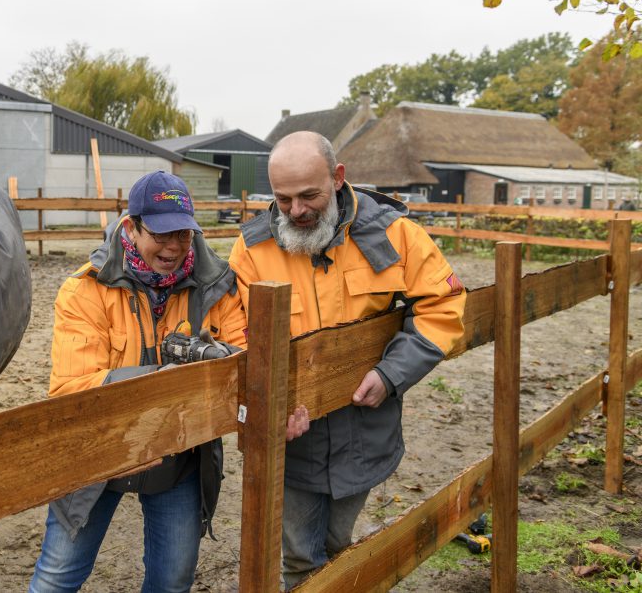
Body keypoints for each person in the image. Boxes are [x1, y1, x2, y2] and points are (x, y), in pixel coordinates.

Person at [228, 132, 466, 588]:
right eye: (282, 199)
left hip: (365, 428)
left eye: (309, 196)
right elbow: (236, 331)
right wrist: (272, 403)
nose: (296, 211)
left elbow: (444, 305)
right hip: (294, 436)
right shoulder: (253, 249)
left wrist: (391, 373)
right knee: (298, 553)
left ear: (338, 178)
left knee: (340, 543)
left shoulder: (393, 234)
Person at [29, 171, 255, 593]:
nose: (173, 247)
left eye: (184, 235)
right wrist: (165, 381)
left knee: (172, 581)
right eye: (161, 234)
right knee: (56, 578)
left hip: (179, 451)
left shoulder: (218, 287)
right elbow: (69, 389)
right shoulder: (85, 290)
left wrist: (218, 365)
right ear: (132, 227)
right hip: (98, 450)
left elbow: (243, 361)